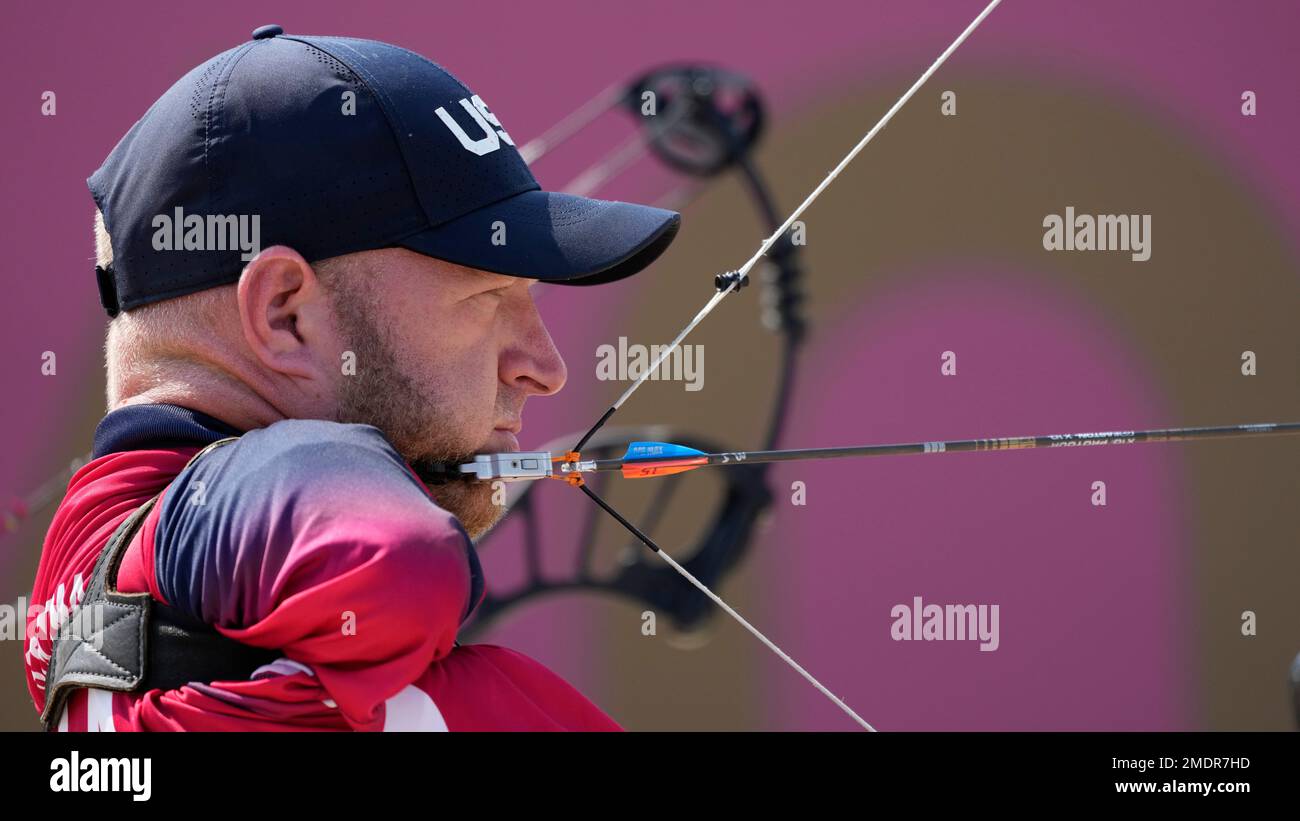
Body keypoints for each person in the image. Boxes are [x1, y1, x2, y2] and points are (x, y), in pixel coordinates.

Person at [24, 25, 679, 731]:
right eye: (485, 296)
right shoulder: (196, 535)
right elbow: (400, 555)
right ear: (285, 316)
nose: (546, 368)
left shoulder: (99, 564)